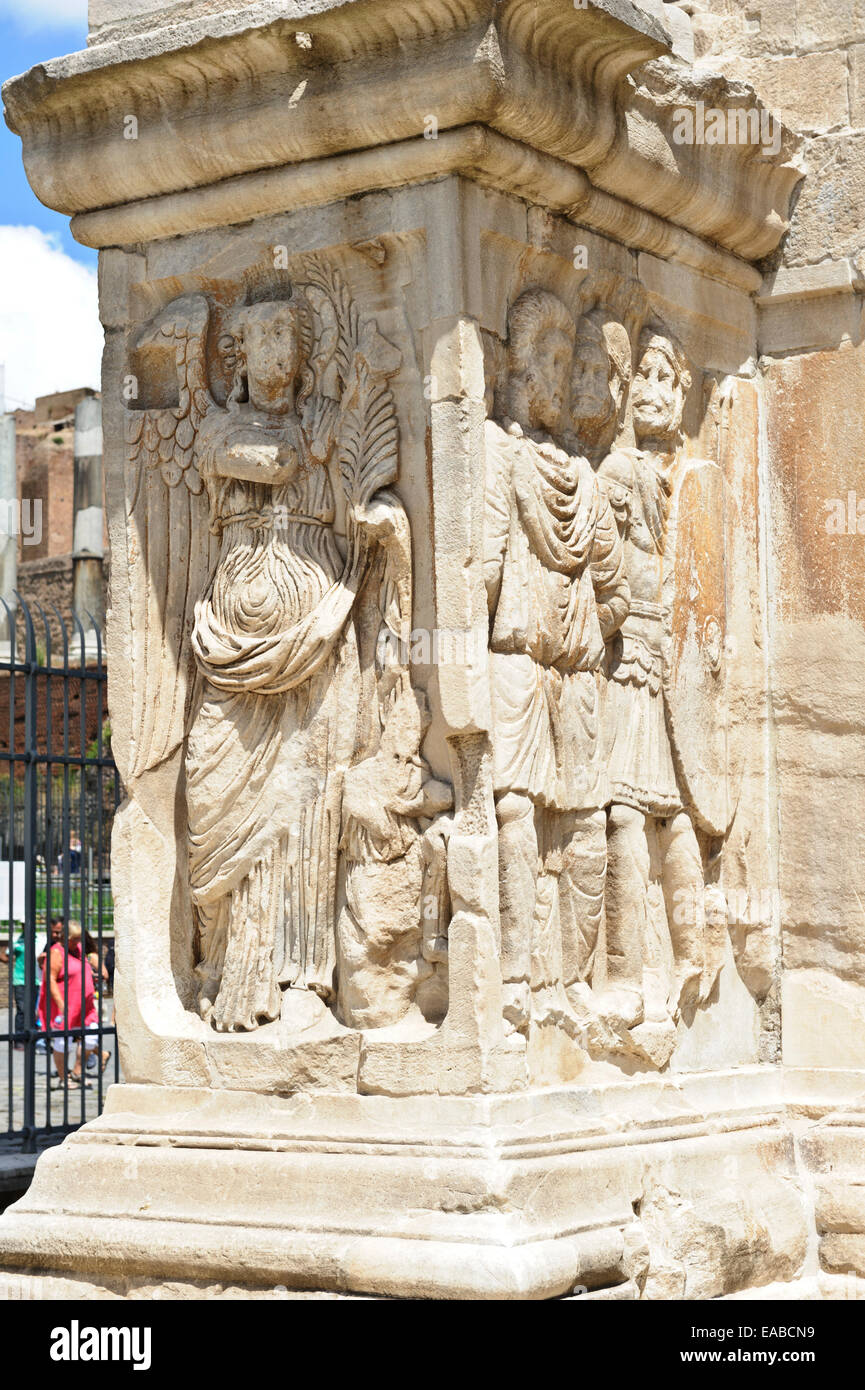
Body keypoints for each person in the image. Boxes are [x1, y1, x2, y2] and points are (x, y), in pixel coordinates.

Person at [484, 289, 629, 1036]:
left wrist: (586, 626)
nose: (559, 372)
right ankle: (511, 978)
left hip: (573, 670)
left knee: (585, 826)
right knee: (512, 808)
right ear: (516, 366)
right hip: (513, 659)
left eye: (568, 358)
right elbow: (474, 567)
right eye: (548, 357)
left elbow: (613, 582)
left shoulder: (584, 478)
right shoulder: (498, 457)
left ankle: (570, 979)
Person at [37, 920, 106, 1088]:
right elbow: (50, 980)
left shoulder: (79, 950)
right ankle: (63, 1078)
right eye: (74, 939)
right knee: (63, 1042)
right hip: (66, 1006)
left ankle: (77, 1071)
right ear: (64, 937)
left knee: (91, 1037)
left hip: (86, 1006)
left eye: (78, 939)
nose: (77, 942)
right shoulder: (56, 953)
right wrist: (60, 1004)